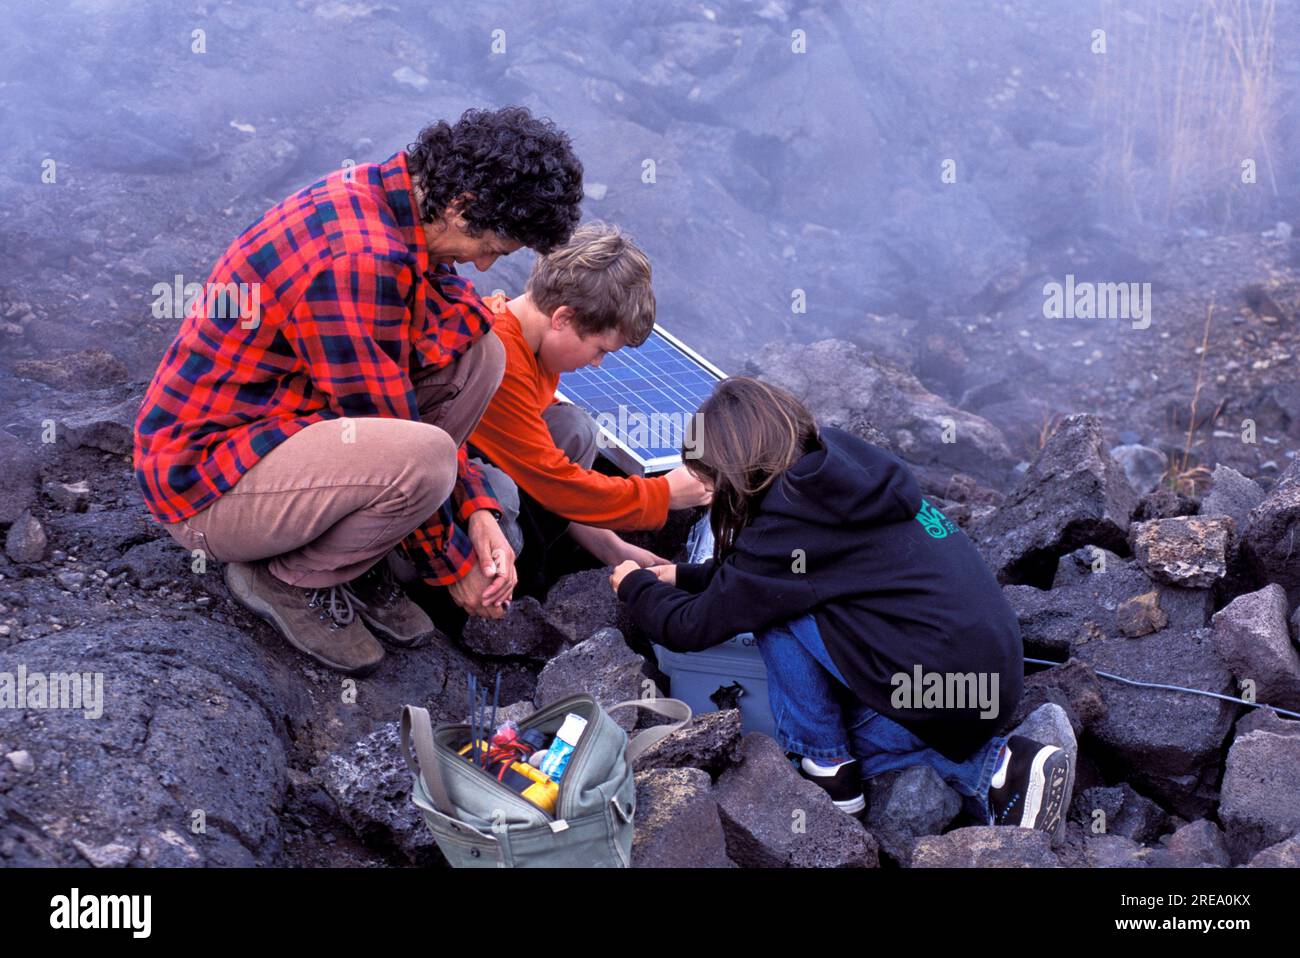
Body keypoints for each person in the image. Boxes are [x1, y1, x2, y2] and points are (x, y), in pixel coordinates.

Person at [134, 106, 584, 676]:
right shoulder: (360, 260)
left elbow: (410, 380)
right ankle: (286, 579)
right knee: (424, 460)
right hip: (208, 483)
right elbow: (401, 431)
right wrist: (456, 567)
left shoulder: (395, 202)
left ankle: (359, 556)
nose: (485, 265)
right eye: (493, 247)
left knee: (482, 353)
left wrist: (479, 511)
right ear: (462, 207)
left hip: (287, 420)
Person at [611, 377, 1072, 832]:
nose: (709, 491)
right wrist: (685, 575)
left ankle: (844, 768)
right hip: (990, 672)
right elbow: (775, 574)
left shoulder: (785, 528)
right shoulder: (837, 470)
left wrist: (634, 587)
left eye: (711, 478)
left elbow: (692, 627)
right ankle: (992, 767)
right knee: (779, 600)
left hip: (945, 696)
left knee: (779, 627)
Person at [452, 221, 711, 603]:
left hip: (487, 473)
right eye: (600, 349)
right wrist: (663, 495)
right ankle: (479, 596)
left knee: (574, 426)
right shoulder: (500, 358)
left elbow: (552, 473)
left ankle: (534, 566)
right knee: (502, 490)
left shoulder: (535, 348)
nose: (597, 364)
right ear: (563, 319)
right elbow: (556, 483)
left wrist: (612, 548)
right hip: (439, 503)